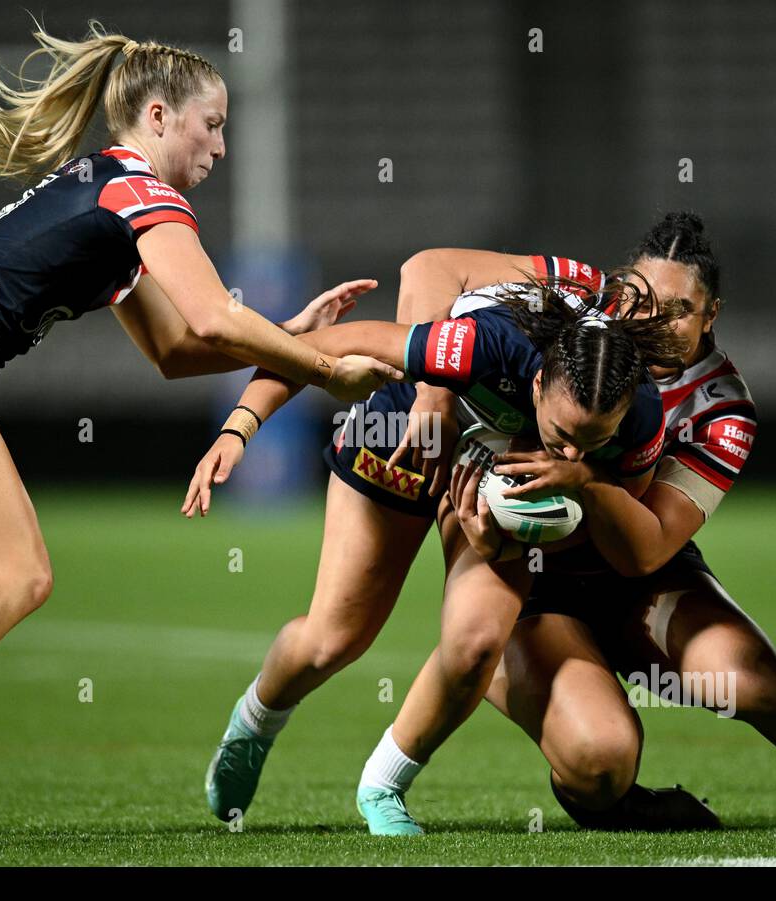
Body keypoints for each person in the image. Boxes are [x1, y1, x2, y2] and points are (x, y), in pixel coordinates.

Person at [0, 21, 398, 840]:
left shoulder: (102, 192)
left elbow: (176, 351)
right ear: (157, 117)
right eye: (212, 125)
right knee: (17, 573)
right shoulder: (140, 191)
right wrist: (328, 370)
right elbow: (214, 316)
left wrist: (286, 335)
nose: (221, 146)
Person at [428, 213, 776, 835]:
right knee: (599, 757)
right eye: (643, 301)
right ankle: (618, 804)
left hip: (634, 570)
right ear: (620, 288)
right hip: (525, 576)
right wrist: (432, 400)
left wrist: (586, 482)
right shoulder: (569, 305)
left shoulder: (720, 407)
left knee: (752, 679)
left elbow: (645, 552)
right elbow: (431, 269)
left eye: (679, 310)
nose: (652, 322)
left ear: (710, 314)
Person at [189, 263, 687, 828]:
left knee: (477, 642)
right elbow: (321, 346)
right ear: (537, 385)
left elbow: (607, 536)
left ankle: (383, 787)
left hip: (498, 477)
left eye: (593, 441)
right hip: (408, 433)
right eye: (564, 434)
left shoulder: (640, 417)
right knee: (332, 640)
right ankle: (254, 722)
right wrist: (239, 428)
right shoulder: (484, 346)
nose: (574, 454)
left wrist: (500, 543)